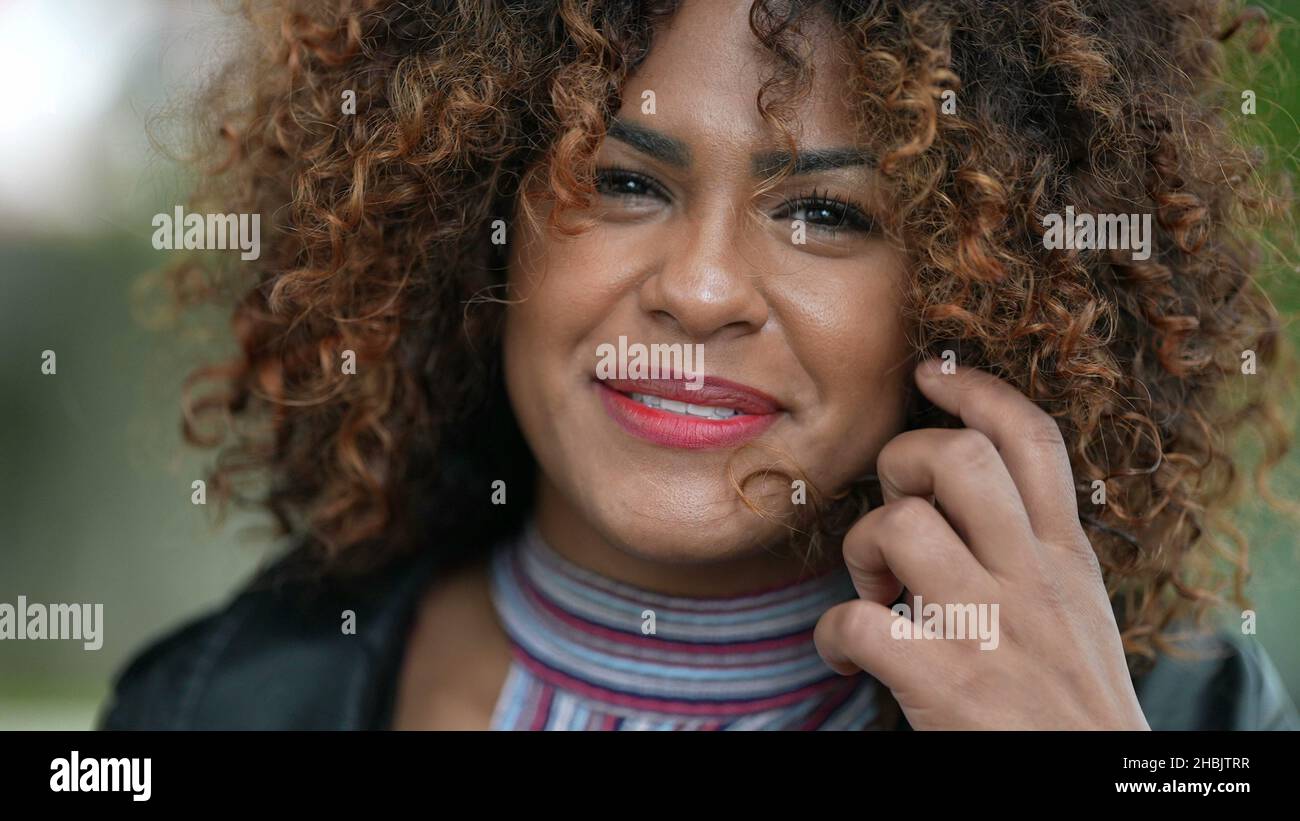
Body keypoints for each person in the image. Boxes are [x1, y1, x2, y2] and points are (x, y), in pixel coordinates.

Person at [101, 0, 1299, 730]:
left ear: (976, 285)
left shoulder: (1182, 728)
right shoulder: (214, 704)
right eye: (623, 182)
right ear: (468, 216)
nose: (704, 287)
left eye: (828, 213)